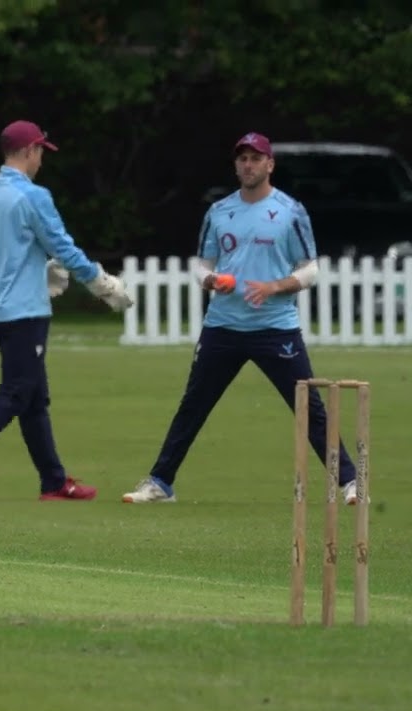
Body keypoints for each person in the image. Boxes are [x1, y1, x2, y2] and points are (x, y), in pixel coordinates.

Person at [122, 132, 360, 504]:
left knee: (308, 406)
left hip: (275, 327)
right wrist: (210, 280)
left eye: (255, 158)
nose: (248, 165)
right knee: (193, 405)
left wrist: (274, 287)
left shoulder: (289, 211)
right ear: (236, 165)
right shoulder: (219, 212)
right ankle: (160, 483)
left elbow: (310, 269)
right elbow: (201, 264)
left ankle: (349, 480)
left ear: (270, 164)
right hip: (223, 326)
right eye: (242, 159)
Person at [0, 120, 134, 502]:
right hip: (26, 310)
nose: (41, 160)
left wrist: (35, 266)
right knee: (17, 394)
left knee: (34, 399)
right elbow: (63, 246)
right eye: (40, 152)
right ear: (28, 151)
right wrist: (102, 284)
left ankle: (53, 481)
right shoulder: (33, 196)